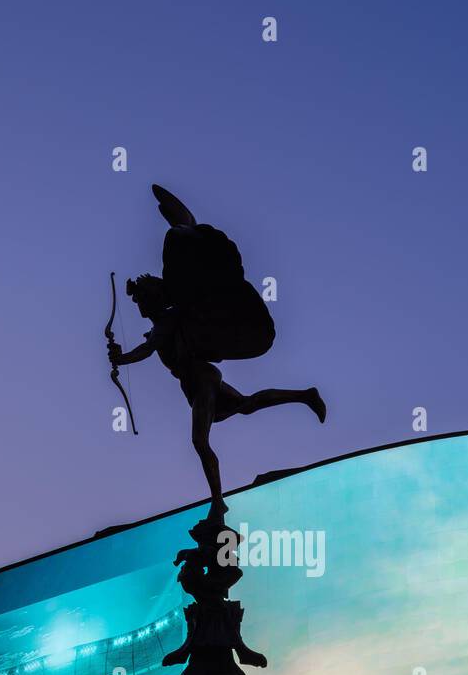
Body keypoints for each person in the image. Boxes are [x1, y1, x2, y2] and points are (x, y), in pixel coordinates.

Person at [106, 186, 325, 518]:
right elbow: (150, 344)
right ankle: (305, 395)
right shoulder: (166, 322)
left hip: (202, 379)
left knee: (199, 441)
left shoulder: (168, 320)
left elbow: (148, 349)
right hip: (200, 380)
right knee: (246, 406)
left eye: (140, 299)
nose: (138, 305)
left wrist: (122, 359)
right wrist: (122, 356)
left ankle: (218, 502)